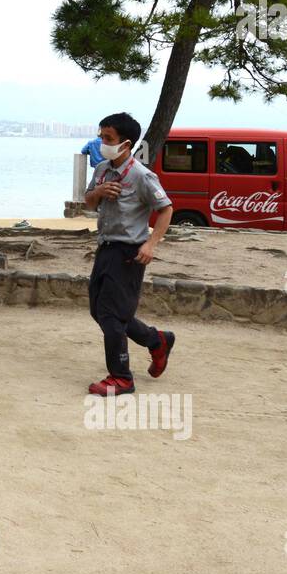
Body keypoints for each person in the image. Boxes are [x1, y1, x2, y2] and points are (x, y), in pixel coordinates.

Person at [83, 112, 175, 396]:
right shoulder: (101, 170)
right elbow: (87, 204)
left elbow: (166, 209)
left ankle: (121, 377)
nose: (102, 142)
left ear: (126, 144)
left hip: (128, 252)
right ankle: (157, 341)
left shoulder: (141, 175)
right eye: (101, 136)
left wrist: (151, 244)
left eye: (108, 139)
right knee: (99, 311)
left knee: (111, 315)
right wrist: (98, 191)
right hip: (105, 247)